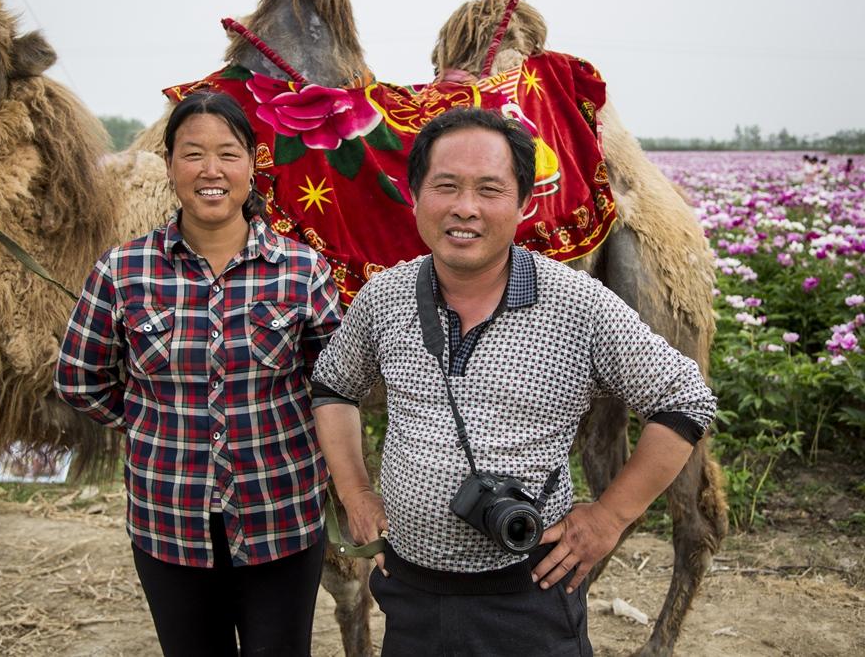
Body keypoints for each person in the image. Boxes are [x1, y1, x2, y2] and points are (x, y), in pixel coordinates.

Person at [310, 107, 716, 656]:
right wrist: (356, 492)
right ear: (415, 195)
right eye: (446, 186)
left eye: (489, 189)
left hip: (531, 599)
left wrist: (608, 518)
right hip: (410, 598)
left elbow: (685, 400)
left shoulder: (576, 303)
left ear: (524, 203)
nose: (465, 208)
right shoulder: (384, 298)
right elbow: (333, 386)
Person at [54, 91, 343, 657]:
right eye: (192, 154)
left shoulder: (302, 269)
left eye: (228, 154)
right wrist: (145, 421)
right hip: (169, 518)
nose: (211, 170)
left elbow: (334, 381)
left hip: (280, 513)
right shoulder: (122, 270)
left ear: (252, 166)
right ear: (169, 167)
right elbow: (78, 378)